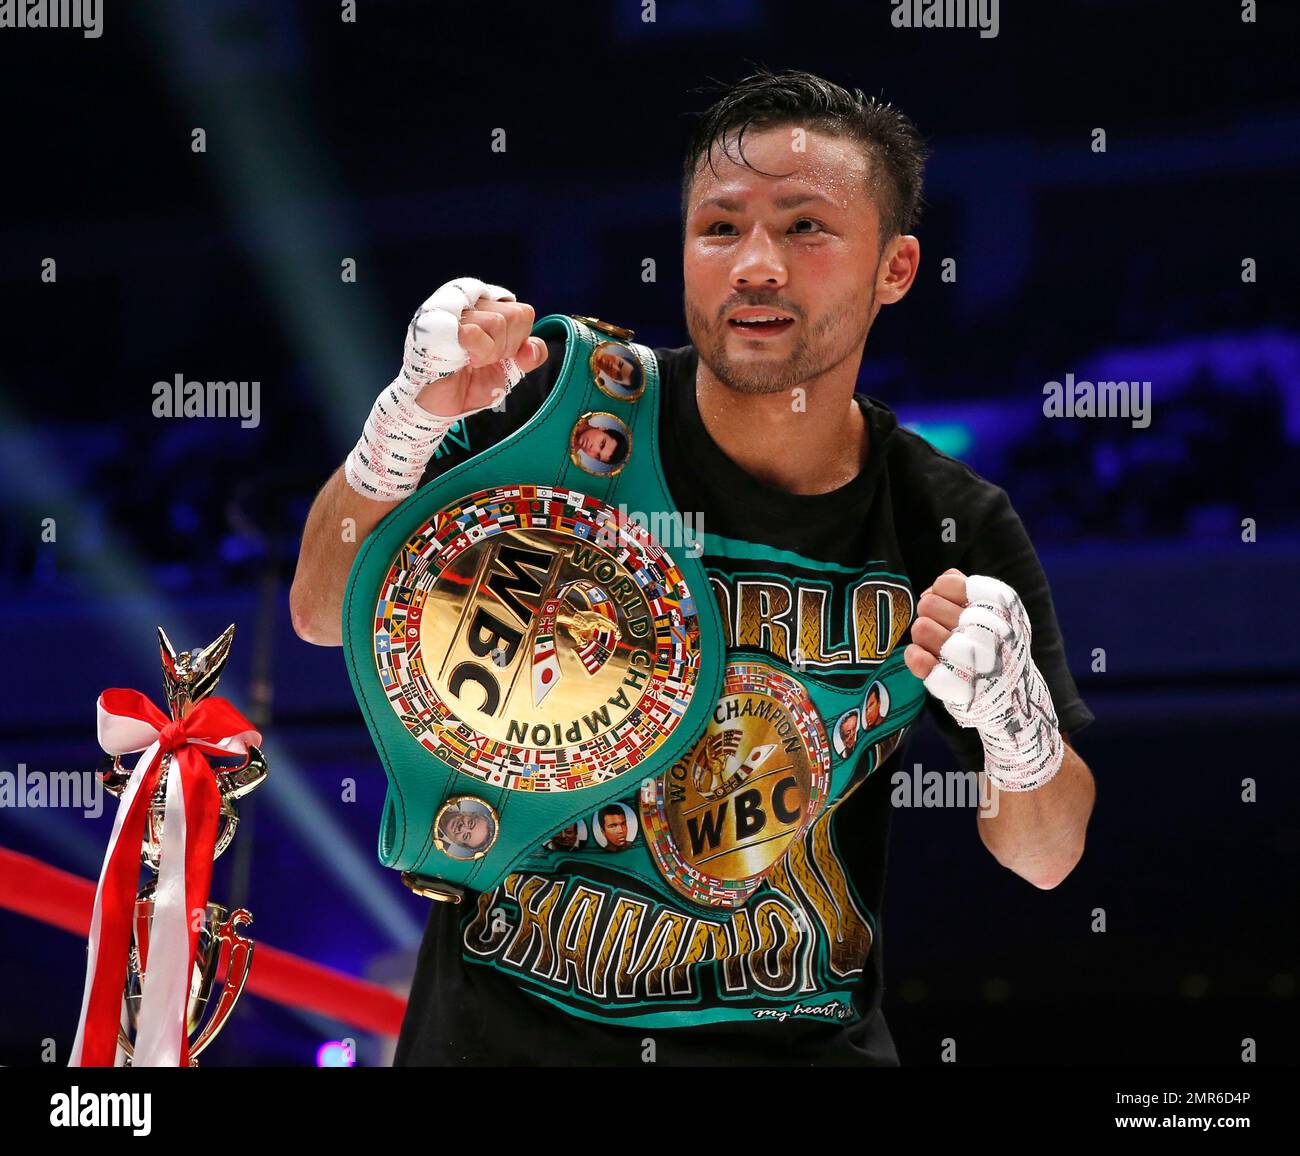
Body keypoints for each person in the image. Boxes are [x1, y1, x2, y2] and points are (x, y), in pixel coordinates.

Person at [290, 68, 1096, 1066]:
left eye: (805, 228)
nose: (755, 264)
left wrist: (1015, 730)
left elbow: (1048, 854)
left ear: (894, 269)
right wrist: (402, 422)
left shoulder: (945, 522)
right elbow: (325, 611)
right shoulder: (561, 415)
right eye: (719, 228)